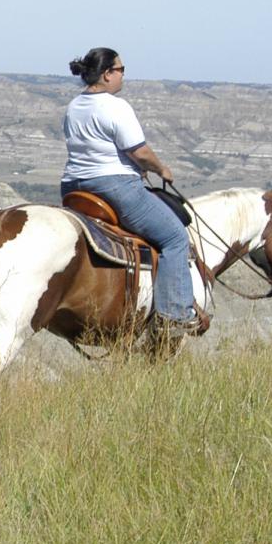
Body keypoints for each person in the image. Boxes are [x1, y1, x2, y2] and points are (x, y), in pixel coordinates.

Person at [59, 47, 199, 334]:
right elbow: (140, 152)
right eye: (121, 69)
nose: (123, 75)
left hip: (73, 186)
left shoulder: (74, 106)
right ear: (107, 73)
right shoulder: (115, 107)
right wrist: (162, 170)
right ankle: (175, 315)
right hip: (115, 187)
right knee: (174, 237)